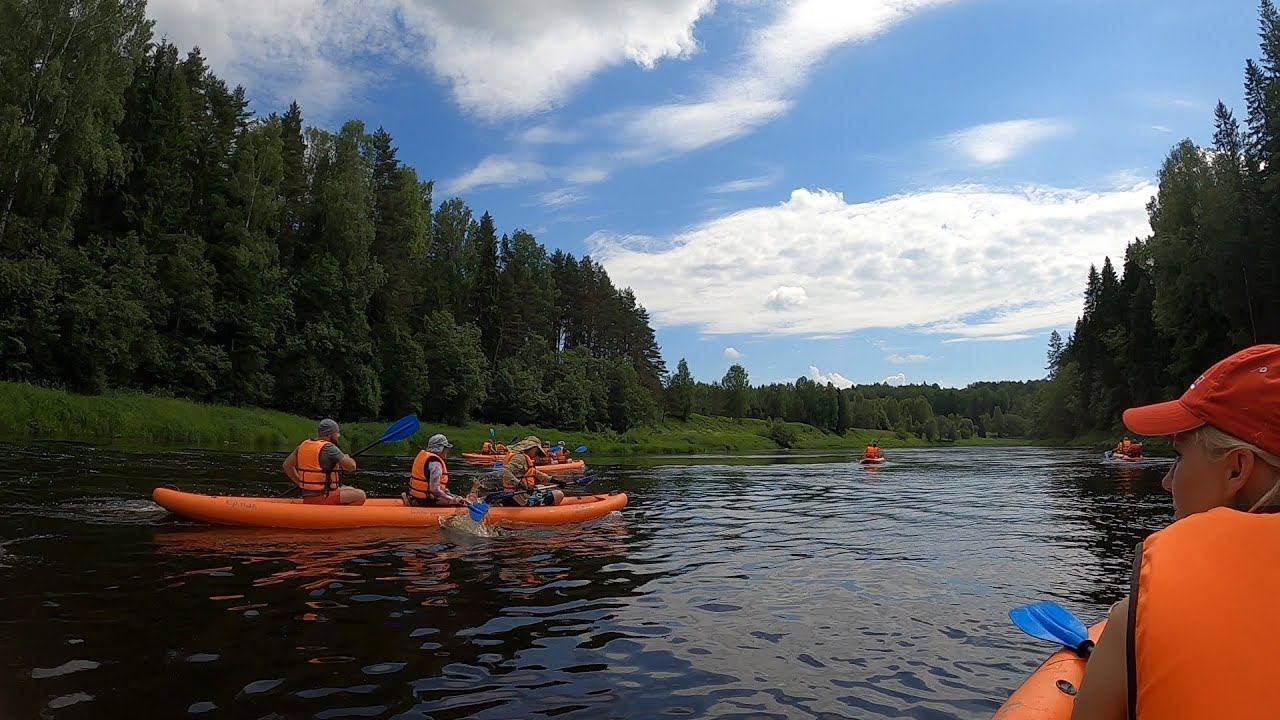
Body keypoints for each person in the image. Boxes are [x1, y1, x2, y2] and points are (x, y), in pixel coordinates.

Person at [1071, 344, 1280, 720]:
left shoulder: (1135, 622)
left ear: (1237, 469)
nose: (1167, 481)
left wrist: (1127, 627)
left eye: (1179, 458)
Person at [281, 419, 366, 505]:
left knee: (350, 489)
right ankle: (335, 516)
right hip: (322, 497)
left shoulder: (303, 446)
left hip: (309, 496)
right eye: (337, 433)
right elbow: (351, 467)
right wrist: (347, 458)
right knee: (360, 495)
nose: (338, 436)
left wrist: (300, 483)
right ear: (329, 434)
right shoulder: (329, 448)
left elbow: (287, 465)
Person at [496, 436, 564, 507]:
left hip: (517, 496)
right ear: (532, 448)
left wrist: (555, 481)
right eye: (537, 451)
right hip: (515, 497)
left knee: (541, 487)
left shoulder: (524, 458)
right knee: (558, 494)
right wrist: (520, 485)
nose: (537, 454)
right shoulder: (520, 458)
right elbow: (505, 472)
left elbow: (536, 473)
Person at [405, 433, 467, 507]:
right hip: (427, 501)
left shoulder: (425, 458)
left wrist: (446, 493)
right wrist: (453, 500)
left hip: (415, 497)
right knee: (458, 502)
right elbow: (435, 490)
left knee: (455, 497)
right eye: (446, 449)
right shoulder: (436, 464)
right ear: (441, 449)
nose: (447, 451)